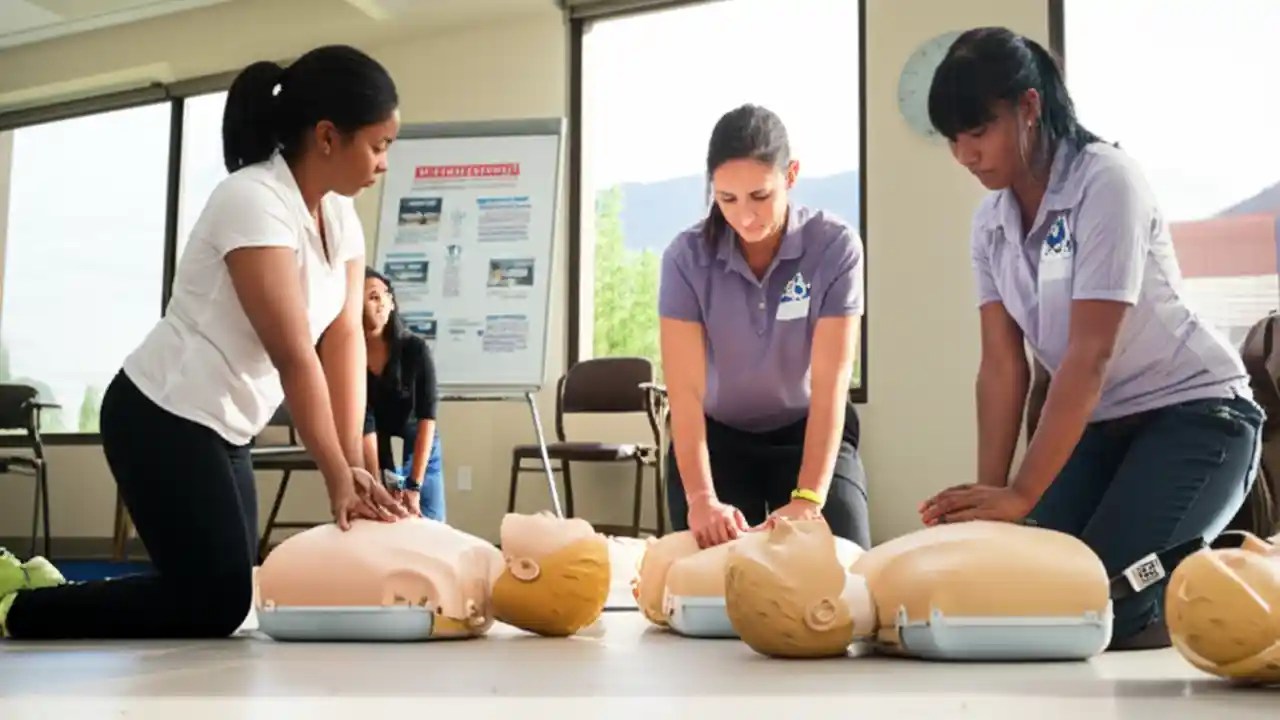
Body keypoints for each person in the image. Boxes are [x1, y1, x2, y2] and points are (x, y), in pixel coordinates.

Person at [0, 44, 410, 641]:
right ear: (327, 137)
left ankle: (40, 584)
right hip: (160, 415)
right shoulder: (251, 200)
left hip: (226, 430)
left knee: (226, 597)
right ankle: (20, 604)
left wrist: (353, 461)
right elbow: (294, 353)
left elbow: (343, 338)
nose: (383, 164)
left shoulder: (340, 218)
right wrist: (335, 477)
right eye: (379, 146)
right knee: (215, 600)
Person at [917, 28, 1264, 650]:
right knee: (1023, 591)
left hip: (1197, 417)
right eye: (953, 139)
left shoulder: (1107, 181)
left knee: (1104, 609)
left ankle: (1241, 577)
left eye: (979, 131)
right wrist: (988, 509)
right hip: (1101, 431)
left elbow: (1089, 354)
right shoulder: (990, 223)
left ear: (1029, 107)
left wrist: (1023, 492)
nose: (966, 155)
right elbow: (1002, 368)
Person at [659, 104, 870, 551]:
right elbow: (685, 394)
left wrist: (809, 497)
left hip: (805, 430)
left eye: (760, 196)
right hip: (719, 439)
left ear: (791, 175)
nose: (745, 217)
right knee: (712, 574)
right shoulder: (685, 258)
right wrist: (702, 499)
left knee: (842, 567)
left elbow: (832, 385)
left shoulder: (835, 247)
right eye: (726, 200)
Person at [361, 266, 446, 521]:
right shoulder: (349, 357)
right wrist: (375, 483)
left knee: (430, 526)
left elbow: (427, 418)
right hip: (378, 448)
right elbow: (364, 425)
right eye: (366, 298)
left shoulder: (415, 349)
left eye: (379, 296)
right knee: (387, 524)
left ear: (391, 302)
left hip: (419, 449)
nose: (375, 305)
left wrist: (414, 485)